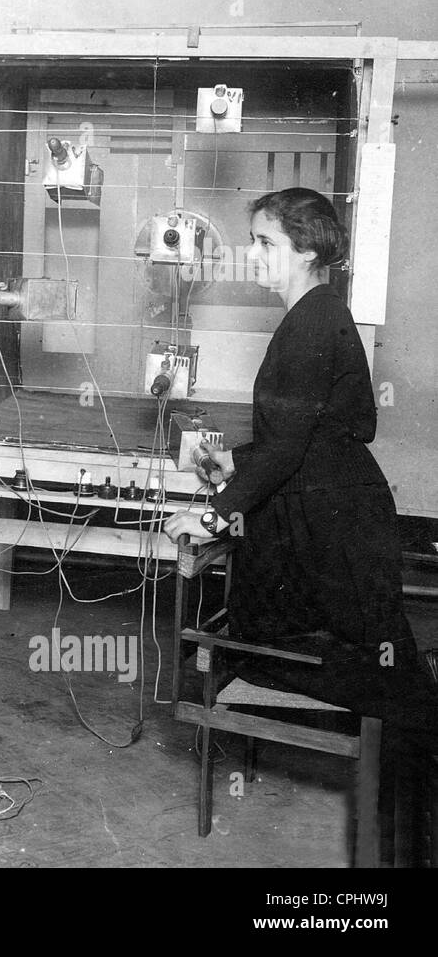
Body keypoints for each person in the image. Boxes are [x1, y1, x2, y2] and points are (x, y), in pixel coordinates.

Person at [163, 188, 437, 751]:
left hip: (332, 527)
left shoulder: (310, 323)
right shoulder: (322, 313)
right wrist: (237, 459)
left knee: (296, 653)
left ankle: (416, 715)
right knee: (313, 643)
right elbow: (330, 428)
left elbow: (291, 447)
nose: (253, 253)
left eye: (266, 242)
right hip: (336, 508)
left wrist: (211, 519)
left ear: (307, 250)